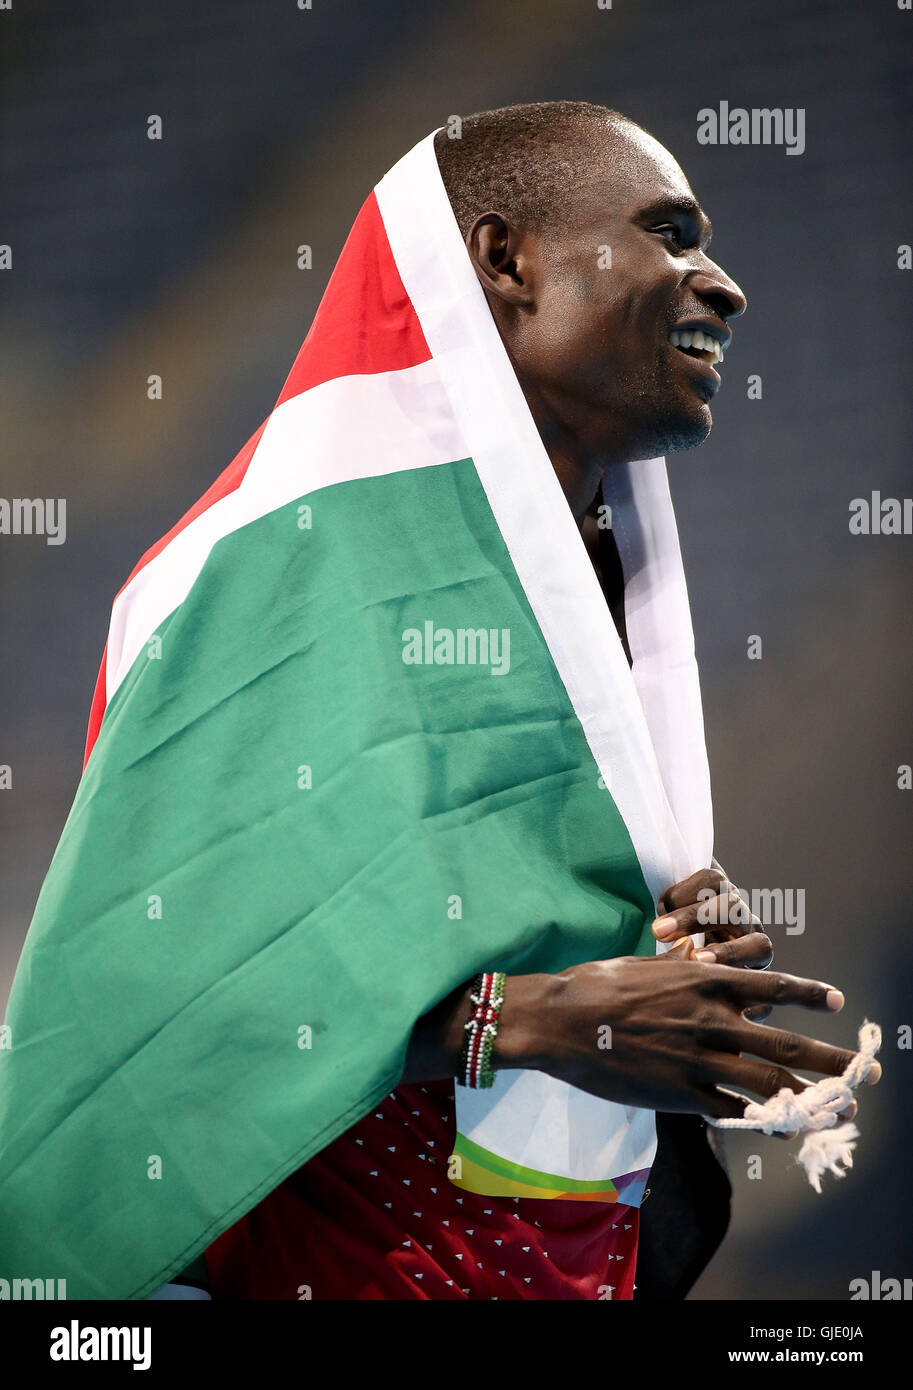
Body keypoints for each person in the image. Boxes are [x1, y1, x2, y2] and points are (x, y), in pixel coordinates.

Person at [0, 102, 876, 1302]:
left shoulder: (590, 579)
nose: (718, 285)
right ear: (504, 258)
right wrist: (531, 1016)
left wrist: (646, 953)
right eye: (669, 234)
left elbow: (461, 920)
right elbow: (151, 989)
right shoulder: (269, 561)